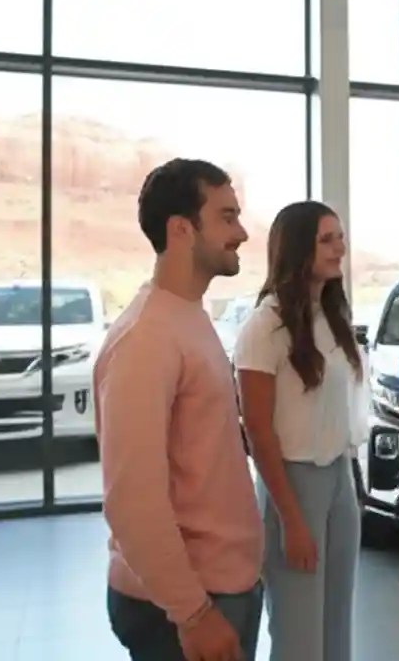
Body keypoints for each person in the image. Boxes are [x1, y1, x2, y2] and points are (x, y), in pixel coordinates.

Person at [96, 158, 265, 661]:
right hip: (182, 607)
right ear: (181, 229)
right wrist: (192, 612)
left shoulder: (187, 317)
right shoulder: (146, 338)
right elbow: (132, 501)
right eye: (227, 216)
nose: (242, 232)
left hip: (220, 588)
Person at [234, 201, 367, 661]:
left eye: (340, 237)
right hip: (292, 483)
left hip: (338, 479)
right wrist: (291, 519)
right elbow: (257, 429)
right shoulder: (264, 326)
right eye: (327, 239)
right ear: (297, 249)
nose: (340, 248)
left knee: (337, 625)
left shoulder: (331, 315)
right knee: (299, 636)